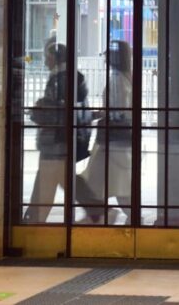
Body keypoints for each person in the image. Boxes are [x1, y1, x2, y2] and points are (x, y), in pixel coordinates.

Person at [25, 38, 87, 223]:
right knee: (62, 181)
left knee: (46, 185)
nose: (45, 61)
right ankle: (96, 209)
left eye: (48, 57)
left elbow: (54, 113)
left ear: (56, 58)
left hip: (53, 143)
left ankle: (32, 222)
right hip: (63, 141)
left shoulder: (57, 79)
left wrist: (37, 110)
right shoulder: (75, 77)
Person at [76, 39, 133, 224]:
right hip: (118, 141)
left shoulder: (116, 79)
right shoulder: (126, 77)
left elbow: (117, 112)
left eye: (109, 53)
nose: (105, 57)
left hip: (110, 141)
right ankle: (107, 215)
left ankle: (101, 215)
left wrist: (94, 115)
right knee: (112, 183)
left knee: (98, 182)